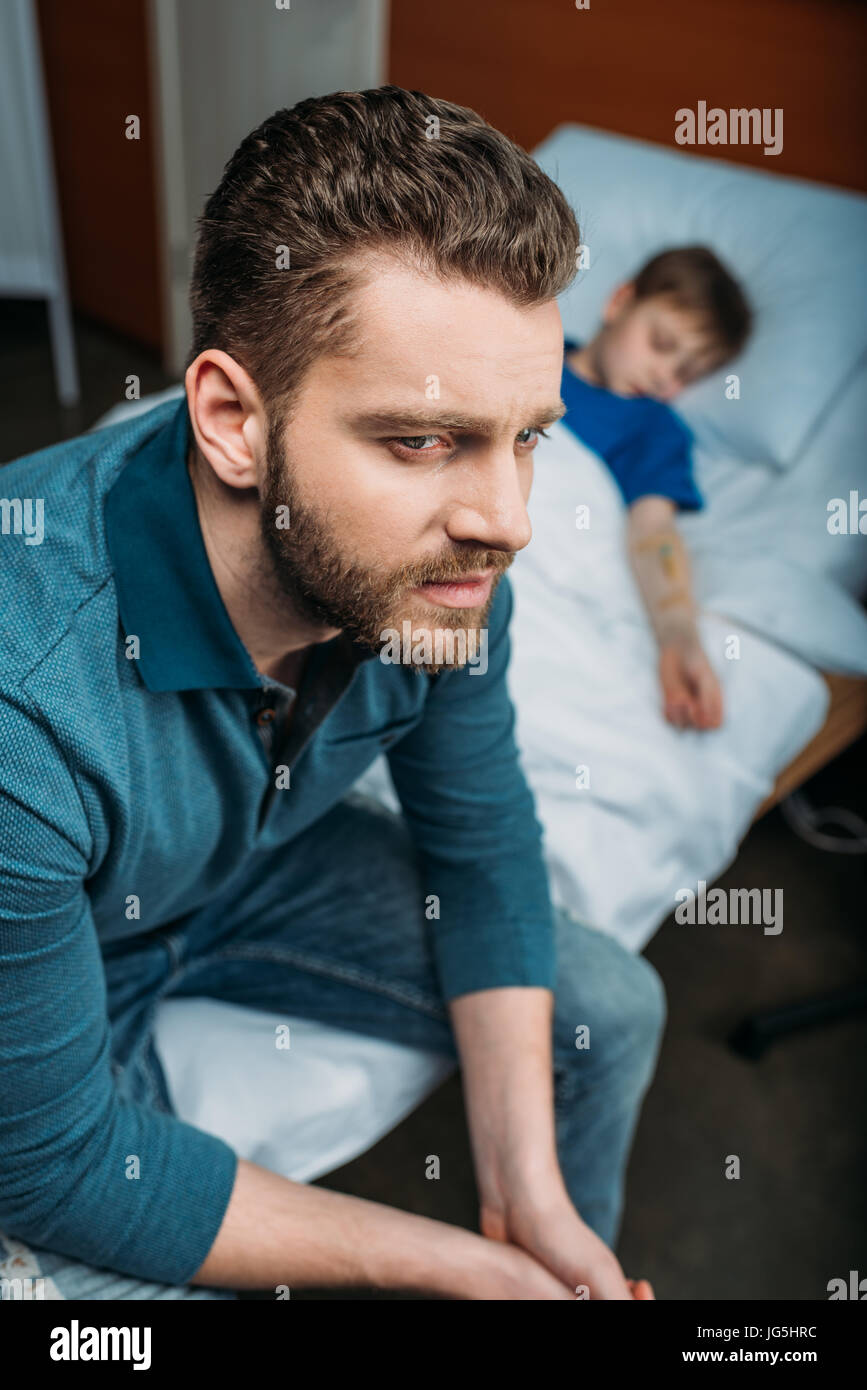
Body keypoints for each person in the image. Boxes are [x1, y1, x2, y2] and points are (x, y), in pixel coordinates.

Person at [0, 86, 664, 1302]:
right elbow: (49, 1160)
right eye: (422, 441)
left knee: (611, 1006)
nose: (505, 525)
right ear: (231, 421)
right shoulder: (22, 718)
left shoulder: (443, 579)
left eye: (528, 436)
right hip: (67, 935)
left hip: (232, 871)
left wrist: (527, 1206)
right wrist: (453, 1267)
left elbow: (480, 848)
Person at [561, 246, 752, 730]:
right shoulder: (529, 346)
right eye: (662, 344)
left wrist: (677, 635)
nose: (665, 377)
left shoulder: (654, 427)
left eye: (687, 374)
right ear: (621, 301)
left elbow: (654, 531)